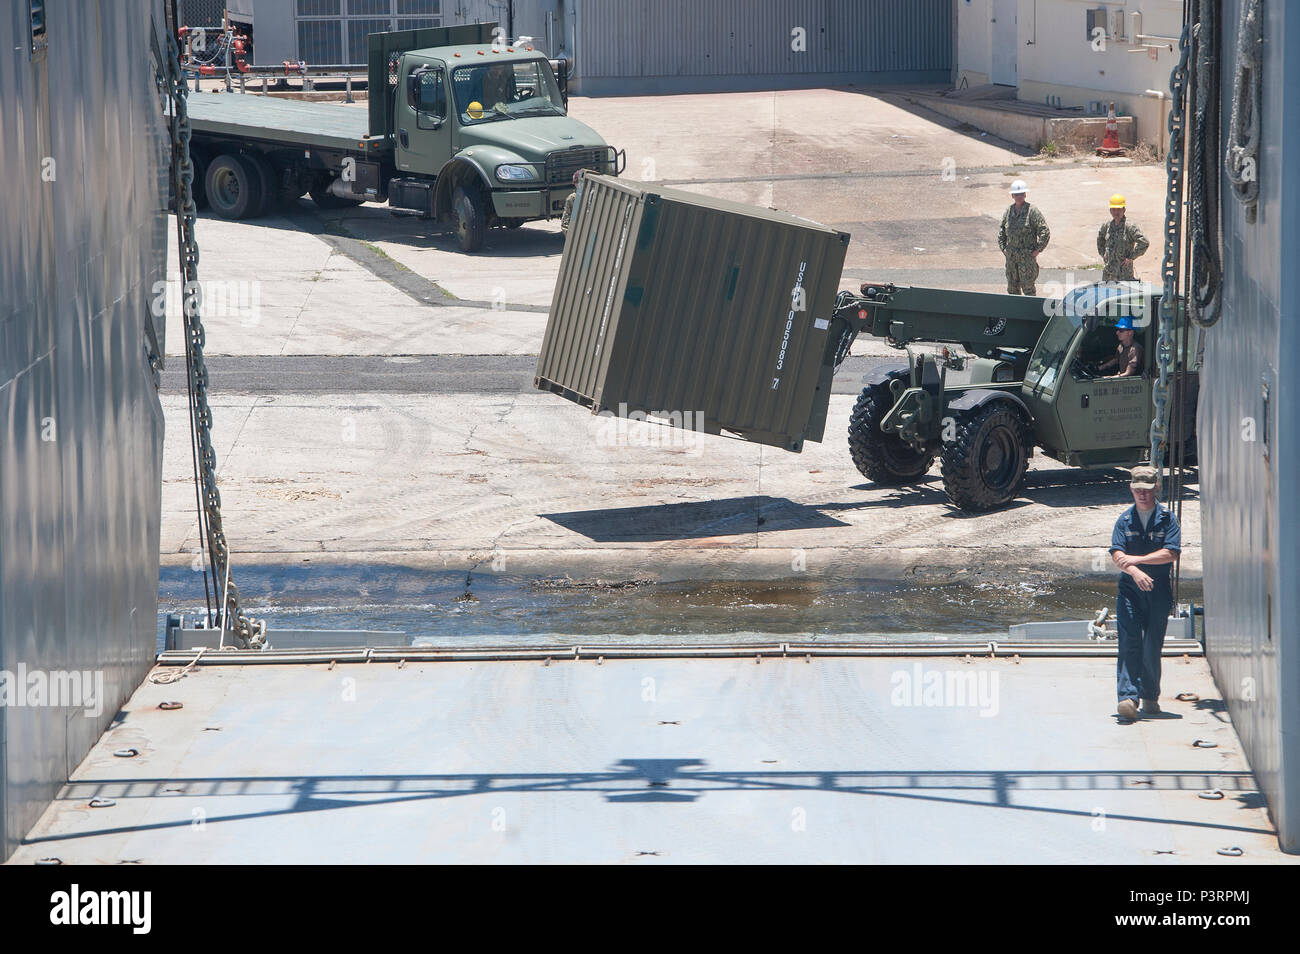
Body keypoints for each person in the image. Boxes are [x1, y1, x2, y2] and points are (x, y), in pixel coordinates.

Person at [1108, 465, 1182, 721]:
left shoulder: (1168, 519)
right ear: (1131, 489)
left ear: (1156, 489)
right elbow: (1117, 554)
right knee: (1129, 641)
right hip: (1130, 589)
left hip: (1158, 590)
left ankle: (1150, 695)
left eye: (1147, 490)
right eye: (1138, 489)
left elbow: (1170, 553)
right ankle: (1127, 698)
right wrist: (1135, 572)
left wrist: (1136, 561)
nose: (1142, 494)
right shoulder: (1124, 520)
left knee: (1152, 645)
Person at [998, 180, 1050, 295]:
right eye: (1016, 194)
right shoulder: (1008, 211)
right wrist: (1003, 249)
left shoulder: (1032, 211)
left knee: (1028, 289)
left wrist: (1037, 250)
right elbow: (1002, 230)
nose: (1019, 197)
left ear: (1025, 195)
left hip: (1027, 259)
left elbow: (1044, 231)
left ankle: (1030, 312)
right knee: (1012, 289)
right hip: (1011, 259)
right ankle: (1014, 313)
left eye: (1021, 194)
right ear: (1012, 196)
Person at [1097, 193, 1150, 281]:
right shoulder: (1107, 226)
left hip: (1124, 275)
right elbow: (1100, 238)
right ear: (1110, 210)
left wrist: (1131, 257)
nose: (1116, 212)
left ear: (1124, 210)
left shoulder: (1129, 227)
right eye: (1113, 209)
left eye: (1118, 209)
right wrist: (1103, 253)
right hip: (1108, 274)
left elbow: (1144, 242)